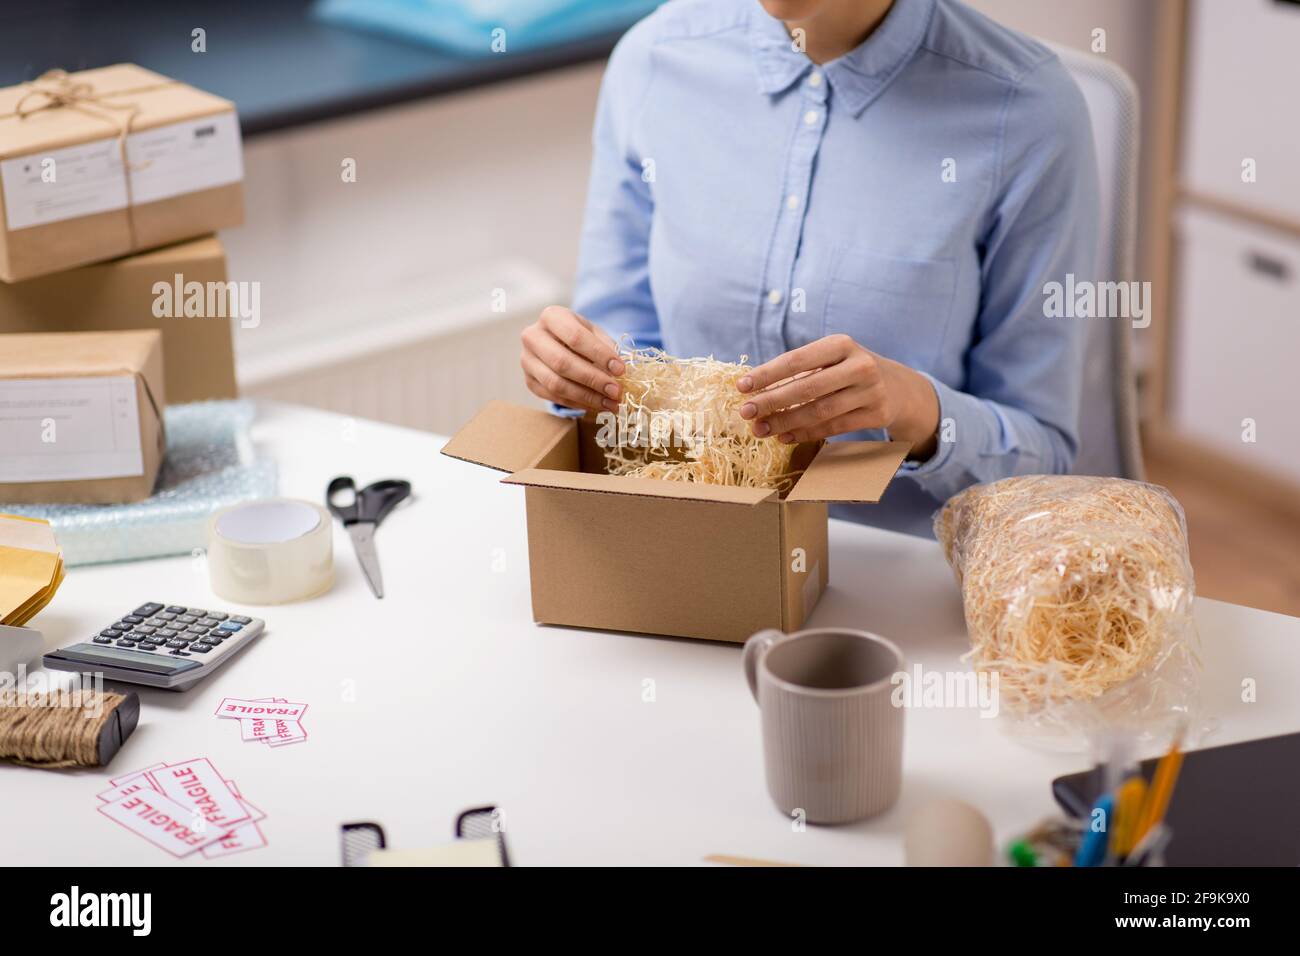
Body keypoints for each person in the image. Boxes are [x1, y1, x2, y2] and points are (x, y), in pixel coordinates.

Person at [520, 0, 1100, 537]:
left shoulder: (1026, 110)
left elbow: (1042, 453)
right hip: (692, 552)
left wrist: (916, 410)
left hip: (906, 587)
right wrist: (578, 373)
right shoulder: (654, 60)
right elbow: (620, 352)